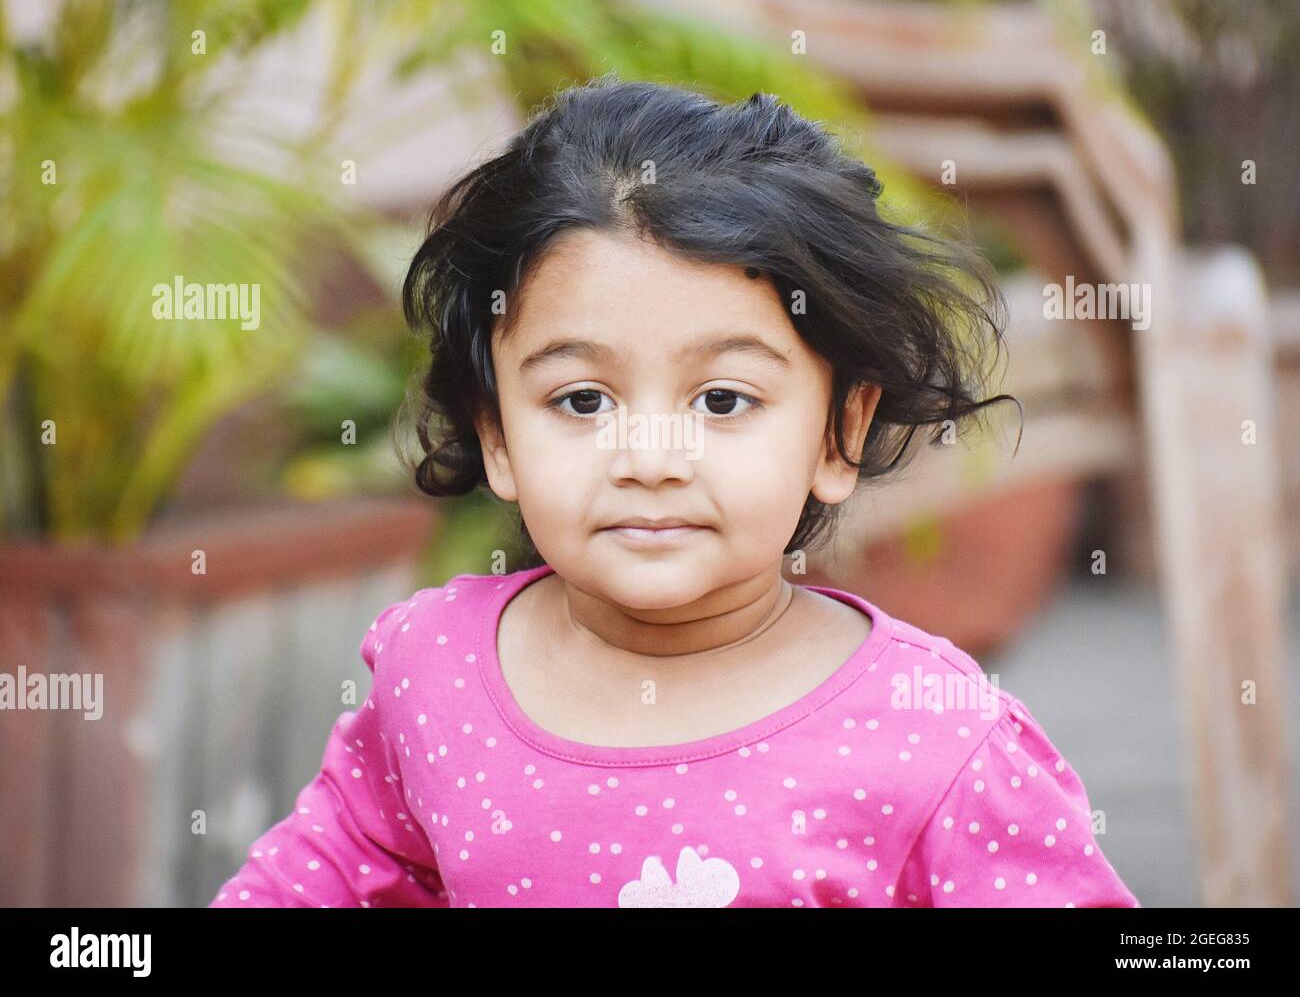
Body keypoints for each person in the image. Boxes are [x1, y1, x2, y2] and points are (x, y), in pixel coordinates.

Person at [209, 75, 1139, 908]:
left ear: (839, 432)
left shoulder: (931, 736)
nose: (649, 458)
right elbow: (311, 880)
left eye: (723, 398)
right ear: (497, 434)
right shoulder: (438, 677)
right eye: (581, 399)